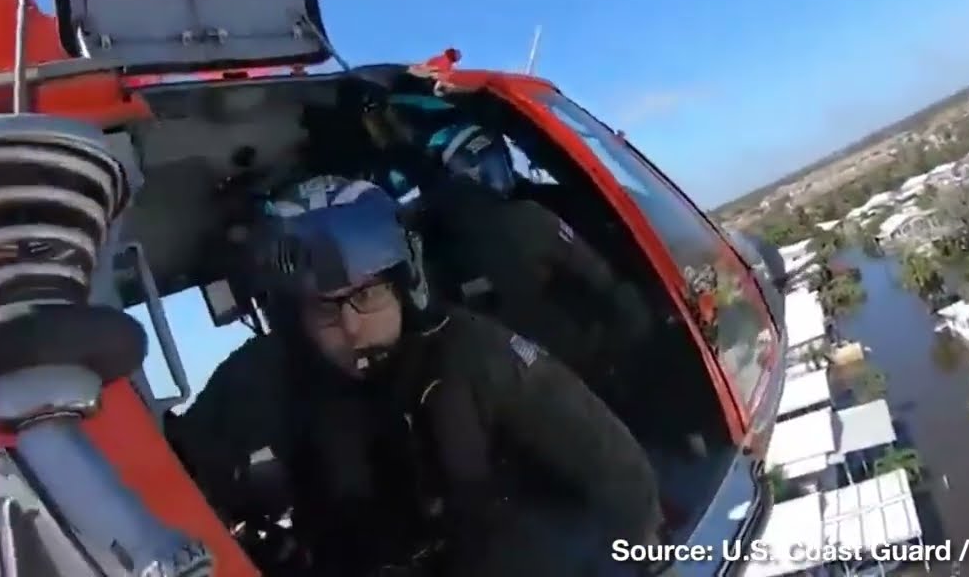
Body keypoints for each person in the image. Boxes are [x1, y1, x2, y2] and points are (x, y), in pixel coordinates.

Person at [178, 175, 664, 576]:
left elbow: (614, 468)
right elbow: (176, 472)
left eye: (365, 296)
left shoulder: (472, 352)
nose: (349, 327)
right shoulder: (260, 376)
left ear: (404, 286)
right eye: (323, 311)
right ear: (292, 319)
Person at [372, 118, 655, 392]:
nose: (506, 173)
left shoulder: (416, 252)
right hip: (585, 380)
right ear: (475, 171)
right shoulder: (529, 219)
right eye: (496, 162)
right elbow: (609, 288)